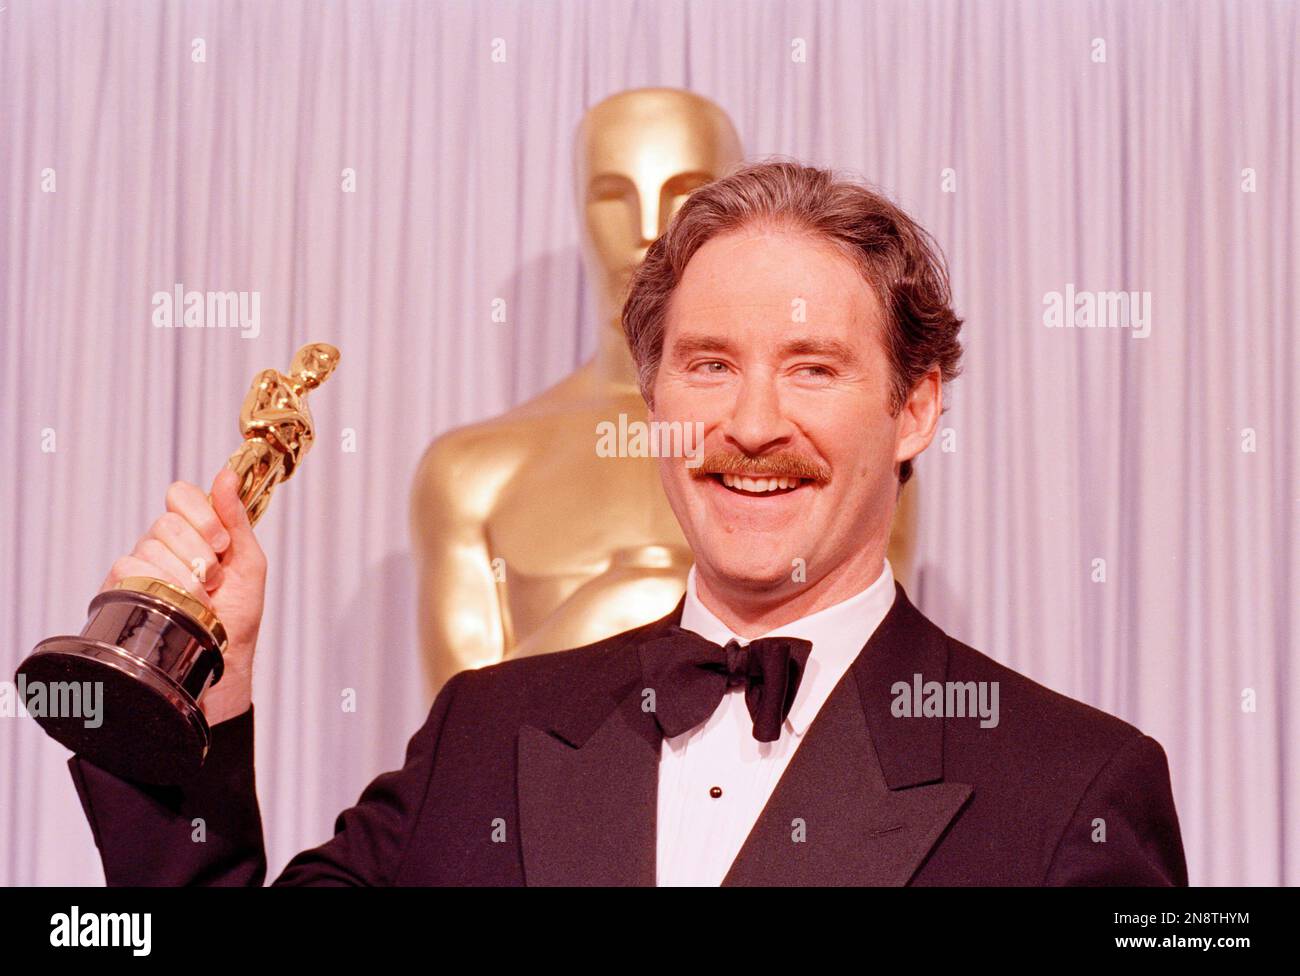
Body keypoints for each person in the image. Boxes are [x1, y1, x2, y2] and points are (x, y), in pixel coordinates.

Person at [70, 160, 1188, 886]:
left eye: (812, 368)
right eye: (708, 366)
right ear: (653, 398)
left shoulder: (1074, 792)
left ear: (914, 407)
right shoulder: (486, 735)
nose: (751, 425)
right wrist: (191, 707)